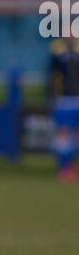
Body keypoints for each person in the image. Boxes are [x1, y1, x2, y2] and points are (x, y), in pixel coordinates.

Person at [47, 38, 79, 183]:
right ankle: (64, 168)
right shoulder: (56, 52)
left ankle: (72, 166)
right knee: (64, 133)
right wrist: (52, 97)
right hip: (63, 100)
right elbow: (51, 76)